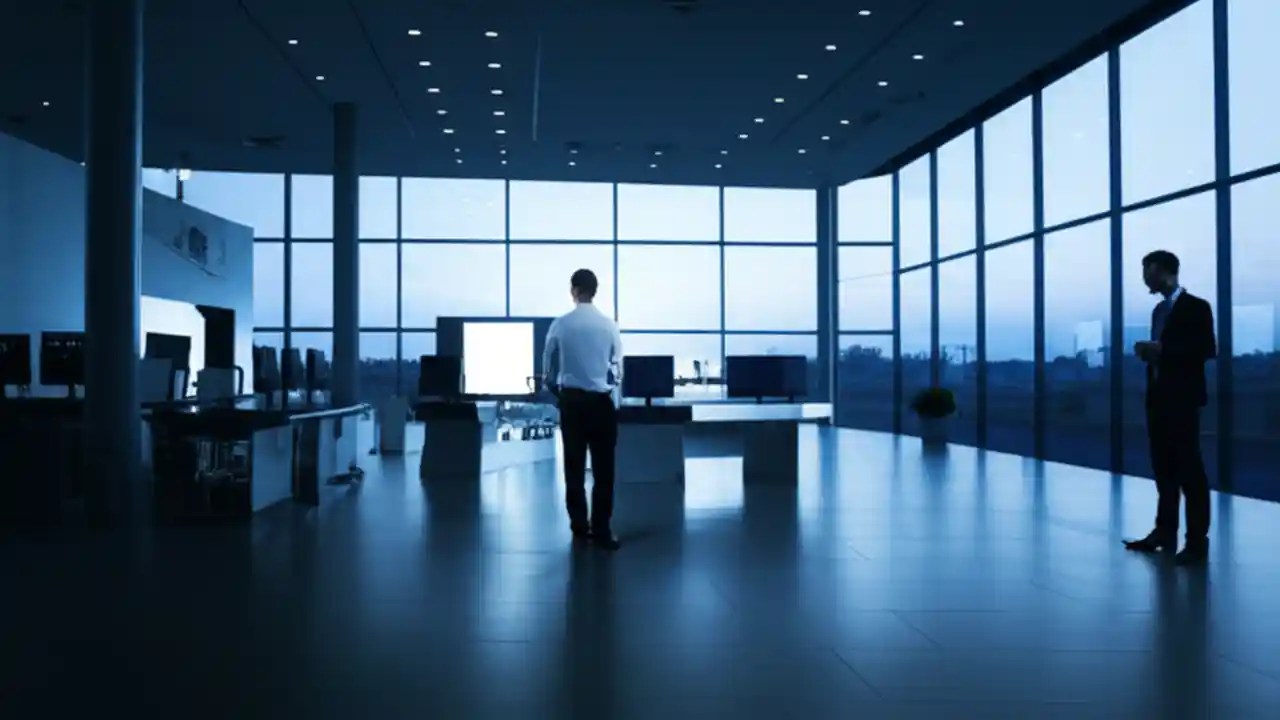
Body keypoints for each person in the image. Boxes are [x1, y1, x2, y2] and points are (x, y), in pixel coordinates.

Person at [1124, 250, 1216, 566]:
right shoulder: (1159, 311)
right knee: (1164, 470)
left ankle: (1196, 542)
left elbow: (1206, 349)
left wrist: (1162, 350)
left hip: (1183, 400)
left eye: (1147, 270)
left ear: (1163, 270)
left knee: (1190, 470)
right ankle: (1164, 533)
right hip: (1160, 399)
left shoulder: (1197, 308)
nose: (1144, 278)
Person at [543, 269, 622, 550]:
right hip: (601, 402)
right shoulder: (609, 325)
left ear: (574, 290)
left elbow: (547, 362)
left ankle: (579, 527)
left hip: (572, 403)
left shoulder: (561, 324)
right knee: (604, 471)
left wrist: (552, 386)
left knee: (574, 467)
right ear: (595, 290)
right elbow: (618, 369)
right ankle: (602, 528)